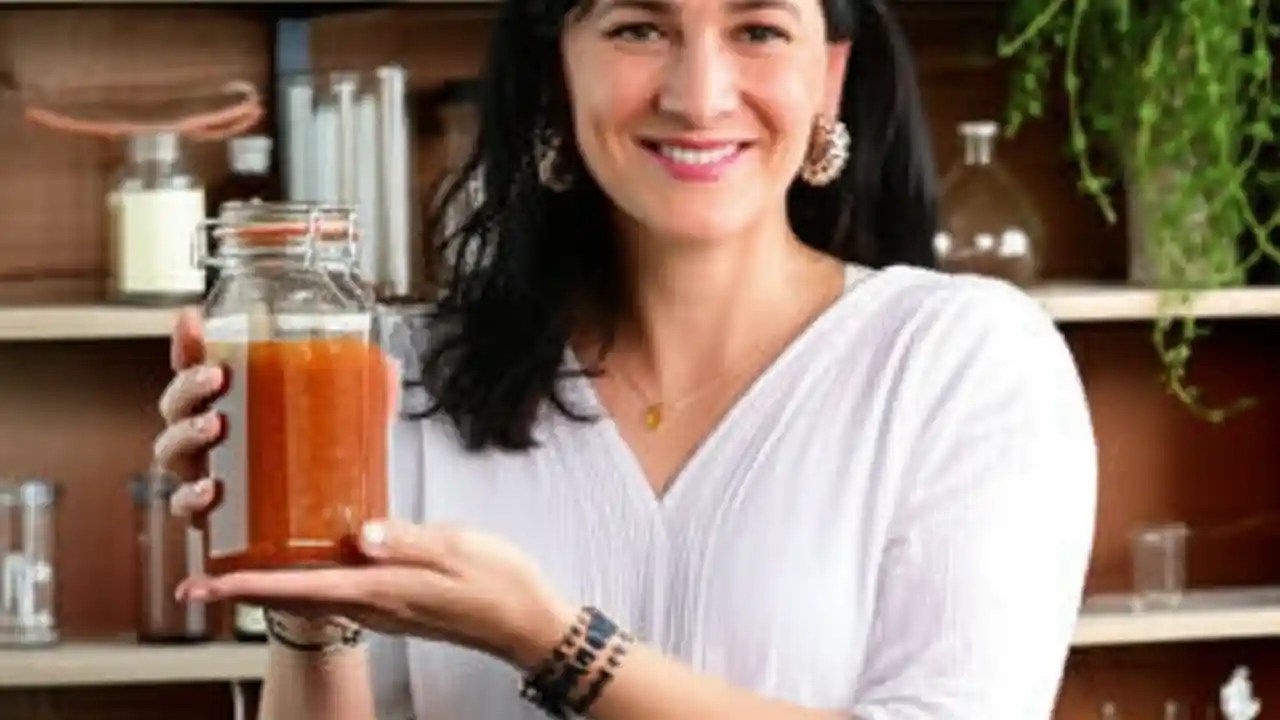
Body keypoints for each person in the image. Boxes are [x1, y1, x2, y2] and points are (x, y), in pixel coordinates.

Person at [153, 0, 1097, 718]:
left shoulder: (961, 361)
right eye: (639, 27)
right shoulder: (404, 371)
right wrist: (311, 609)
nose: (699, 97)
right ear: (556, 67)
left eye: (758, 29)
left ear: (831, 76)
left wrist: (553, 644)